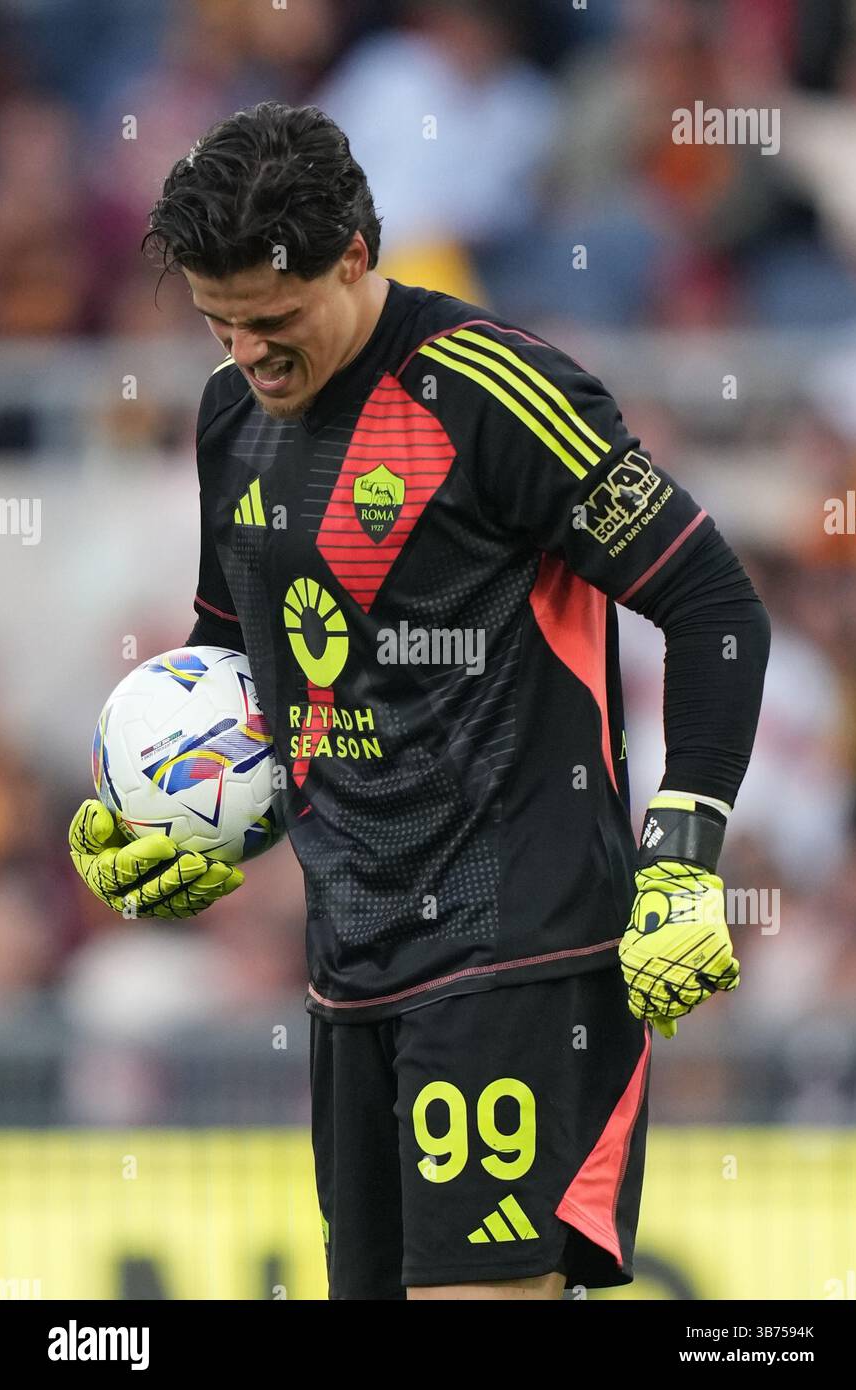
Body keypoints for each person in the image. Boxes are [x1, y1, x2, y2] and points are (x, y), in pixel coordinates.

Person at [68, 102, 770, 1301]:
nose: (248, 354)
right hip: (350, 967)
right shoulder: (231, 417)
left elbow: (712, 604)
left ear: (354, 253)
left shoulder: (492, 391)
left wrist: (684, 851)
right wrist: (162, 809)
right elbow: (233, 646)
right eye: (218, 324)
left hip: (520, 952)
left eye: (273, 321)